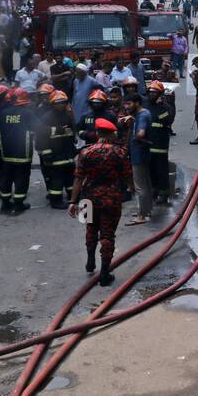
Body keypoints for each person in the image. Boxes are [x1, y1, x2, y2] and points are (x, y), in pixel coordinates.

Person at [68, 118, 130, 286]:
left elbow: (78, 178)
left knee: (90, 228)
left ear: (97, 133)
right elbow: (127, 176)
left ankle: (90, 260)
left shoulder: (85, 152)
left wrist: (72, 202)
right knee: (107, 235)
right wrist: (131, 188)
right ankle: (104, 273)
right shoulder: (119, 153)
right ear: (112, 134)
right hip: (111, 199)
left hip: (87, 198)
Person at [0, 88, 36, 215]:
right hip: (22, 153)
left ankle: (5, 203)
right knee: (22, 178)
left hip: (7, 153)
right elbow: (39, 127)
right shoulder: (27, 113)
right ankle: (19, 204)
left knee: (6, 178)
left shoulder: (3, 113)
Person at [44, 91, 77, 210]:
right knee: (56, 180)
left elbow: (72, 132)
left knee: (70, 177)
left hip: (67, 153)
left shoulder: (68, 115)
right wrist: (46, 153)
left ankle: (72, 196)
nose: (61, 105)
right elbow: (41, 137)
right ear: (52, 104)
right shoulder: (47, 117)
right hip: (55, 154)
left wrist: (73, 147)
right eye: (58, 103)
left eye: (63, 102)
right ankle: (56, 201)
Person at [124, 96, 153, 225]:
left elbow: (141, 133)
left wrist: (136, 137)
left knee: (140, 186)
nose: (126, 106)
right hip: (142, 154)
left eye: (129, 103)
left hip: (139, 155)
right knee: (146, 184)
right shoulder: (142, 114)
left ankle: (142, 215)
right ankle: (146, 211)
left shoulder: (142, 116)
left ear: (137, 103)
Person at [145, 80, 173, 206]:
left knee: (161, 170)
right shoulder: (145, 105)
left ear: (160, 94)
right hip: (147, 144)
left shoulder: (165, 107)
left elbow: (167, 120)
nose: (152, 94)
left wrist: (160, 108)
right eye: (151, 92)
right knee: (150, 170)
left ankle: (163, 193)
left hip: (160, 144)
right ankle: (153, 190)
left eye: (155, 92)